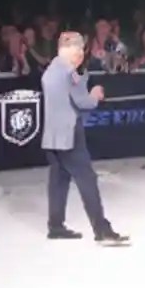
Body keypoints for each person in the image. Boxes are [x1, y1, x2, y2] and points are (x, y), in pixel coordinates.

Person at [40, 31, 127, 243]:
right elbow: (84, 102)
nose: (81, 53)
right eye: (78, 48)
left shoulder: (50, 70)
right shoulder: (68, 73)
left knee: (59, 181)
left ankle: (56, 226)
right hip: (69, 133)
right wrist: (95, 93)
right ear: (67, 49)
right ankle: (102, 230)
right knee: (87, 179)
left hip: (52, 135)